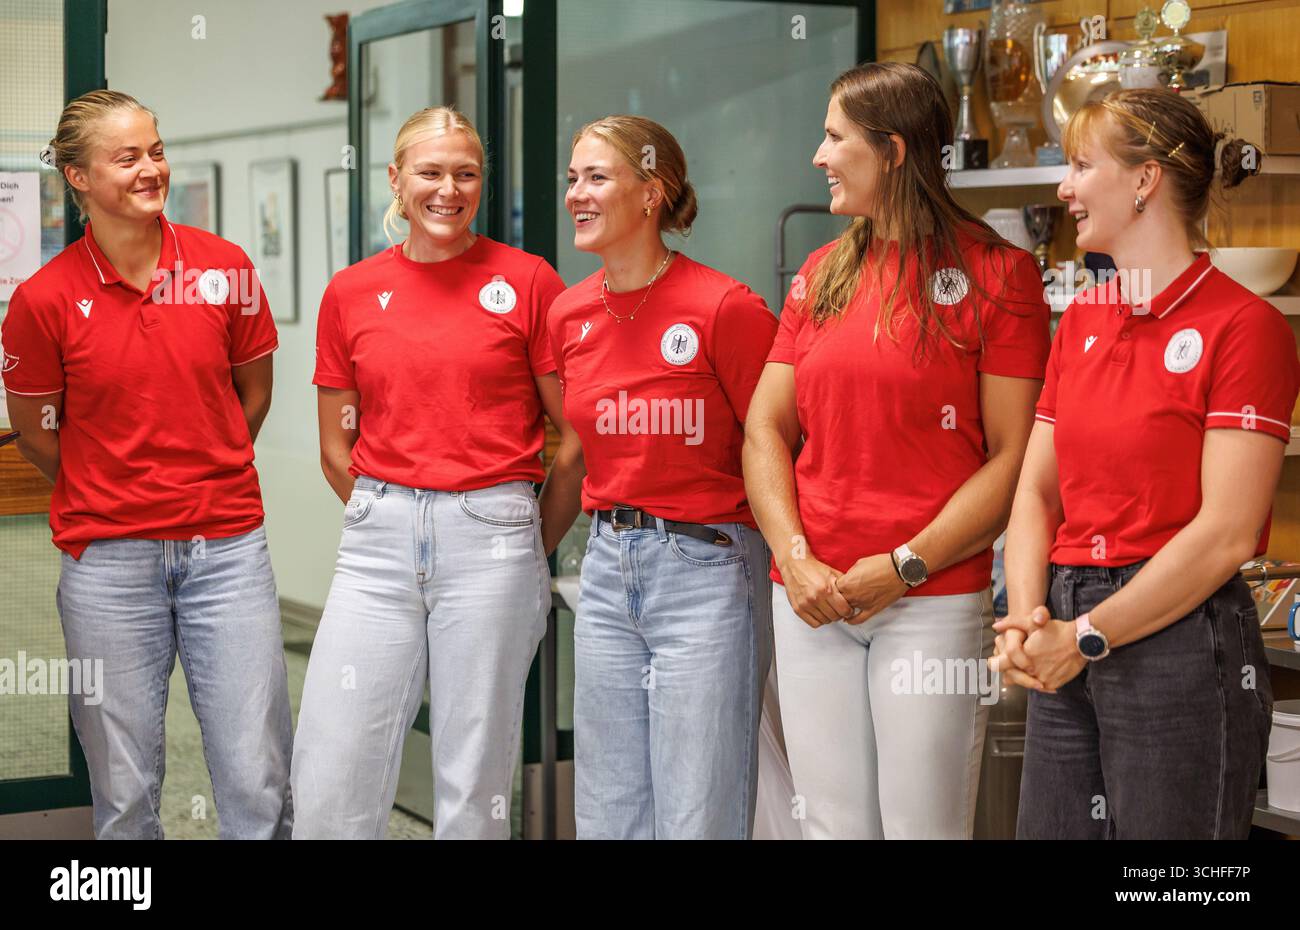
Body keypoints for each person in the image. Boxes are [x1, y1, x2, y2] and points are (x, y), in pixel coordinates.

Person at [744, 62, 1051, 839]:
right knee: (831, 829)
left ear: (894, 151)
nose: (818, 155)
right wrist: (795, 555)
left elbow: (1013, 457)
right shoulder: (821, 273)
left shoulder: (999, 275)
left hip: (931, 597)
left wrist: (907, 562)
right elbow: (764, 432)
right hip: (813, 595)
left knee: (924, 828)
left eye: (835, 137)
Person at [992, 87, 1298, 839]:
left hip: (1178, 639)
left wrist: (1089, 633)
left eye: (1079, 165)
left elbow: (1226, 532)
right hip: (1064, 623)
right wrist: (1027, 619)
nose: (1063, 188)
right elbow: (1035, 492)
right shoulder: (1083, 319)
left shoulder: (1245, 327)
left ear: (1144, 180)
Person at [1, 90, 291, 839]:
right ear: (78, 178)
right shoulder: (43, 299)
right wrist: (116, 484)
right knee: (124, 790)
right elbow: (38, 434)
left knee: (255, 772)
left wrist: (201, 461)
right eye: (127, 157)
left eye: (155, 150)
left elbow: (250, 396)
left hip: (226, 550)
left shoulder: (225, 269)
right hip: (107, 563)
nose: (150, 168)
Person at [291, 106, 579, 839]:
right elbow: (336, 445)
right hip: (376, 543)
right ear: (395, 179)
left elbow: (575, 437)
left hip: (493, 536)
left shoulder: (527, 282)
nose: (448, 189)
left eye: (466, 174)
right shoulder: (352, 292)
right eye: (430, 172)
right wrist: (386, 515)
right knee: (331, 768)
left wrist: (521, 543)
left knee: (472, 777)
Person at [549, 115, 778, 838]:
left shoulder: (726, 308)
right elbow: (574, 448)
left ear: (651, 194)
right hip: (608, 564)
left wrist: (801, 561)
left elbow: (776, 445)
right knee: (609, 806)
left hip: (708, 568)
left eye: (596, 177)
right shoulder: (569, 313)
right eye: (572, 179)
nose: (577, 195)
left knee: (696, 808)